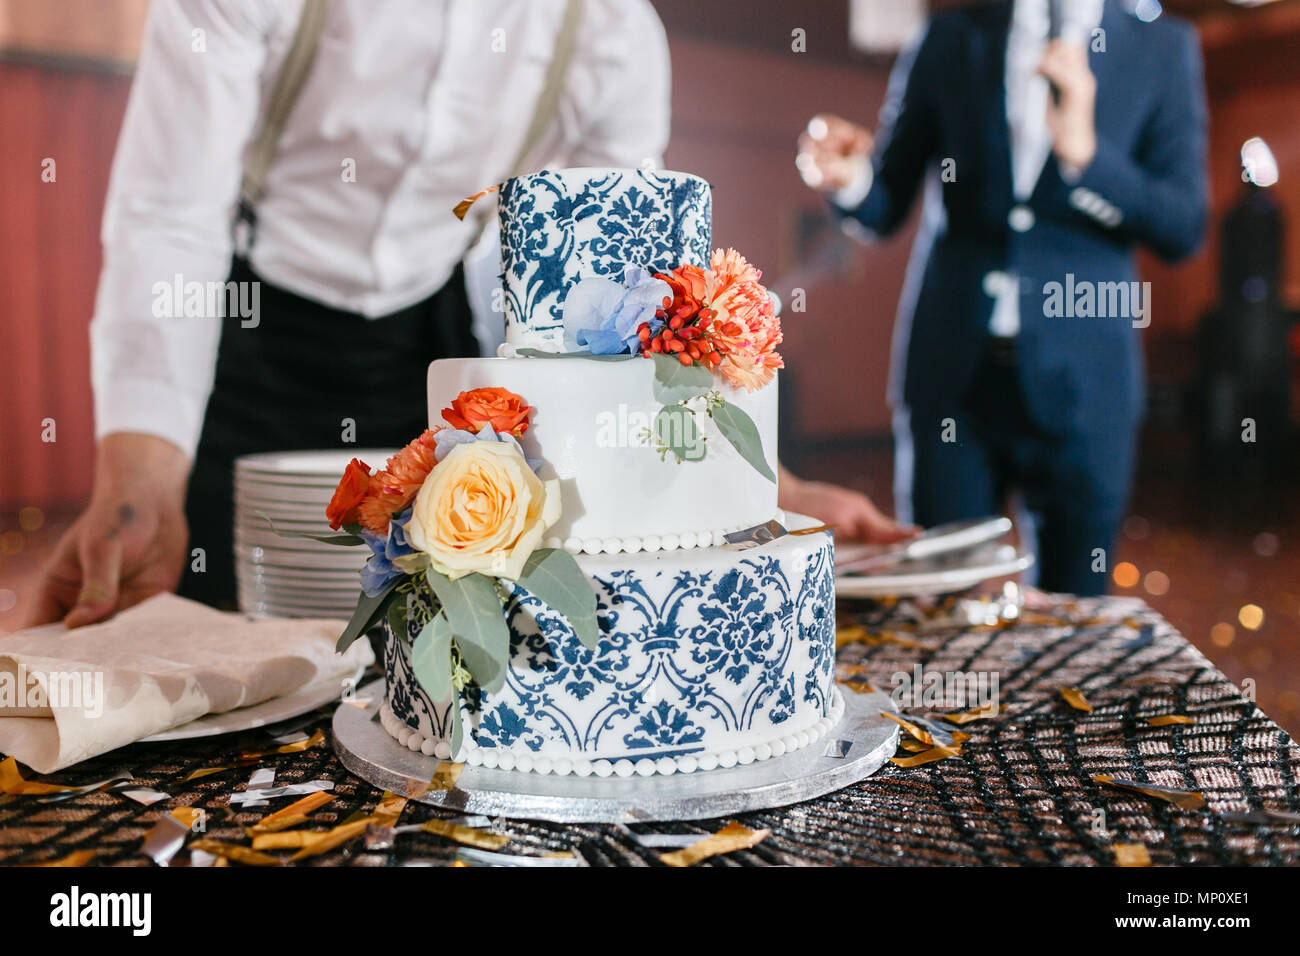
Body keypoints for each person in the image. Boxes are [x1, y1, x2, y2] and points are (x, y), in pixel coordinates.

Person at [31, 0, 909, 629]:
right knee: (220, 641)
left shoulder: (611, 34)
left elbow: (620, 301)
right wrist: (140, 475)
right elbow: (171, 216)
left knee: (425, 645)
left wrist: (765, 488)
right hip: (248, 330)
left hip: (441, 341)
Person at [797, 0, 1207, 595]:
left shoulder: (1165, 48)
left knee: (1075, 617)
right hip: (953, 377)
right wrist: (851, 178)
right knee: (939, 602)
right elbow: (885, 201)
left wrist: (1090, 159)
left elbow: (1184, 228)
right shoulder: (949, 38)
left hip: (1087, 385)